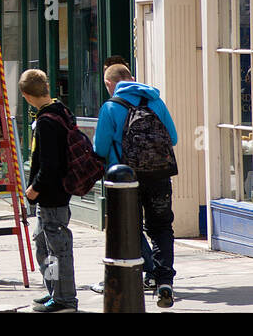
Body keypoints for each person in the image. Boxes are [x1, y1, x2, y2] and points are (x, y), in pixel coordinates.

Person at [95, 63, 179, 309]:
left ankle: (141, 273)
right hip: (159, 176)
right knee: (162, 228)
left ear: (110, 84)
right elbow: (172, 138)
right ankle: (164, 281)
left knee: (129, 228)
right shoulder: (155, 102)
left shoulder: (110, 107)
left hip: (126, 181)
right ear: (131, 78)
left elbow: (100, 148)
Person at [19, 69, 78, 313]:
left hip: (52, 196)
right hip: (56, 195)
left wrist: (34, 188)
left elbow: (50, 164)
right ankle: (53, 290)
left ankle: (65, 299)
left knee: (57, 249)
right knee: (44, 247)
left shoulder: (46, 122)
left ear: (26, 95)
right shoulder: (61, 111)